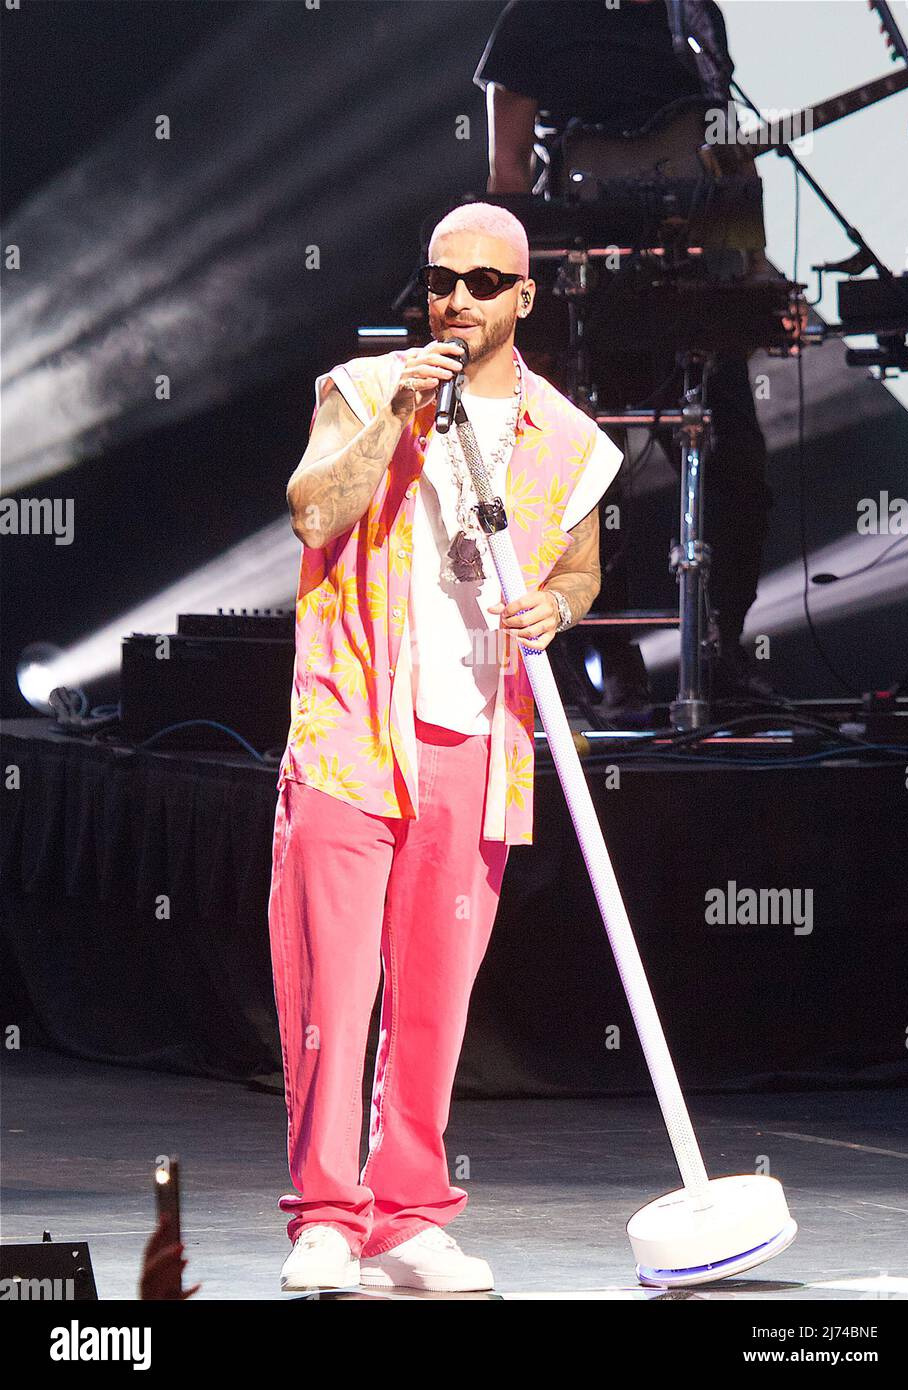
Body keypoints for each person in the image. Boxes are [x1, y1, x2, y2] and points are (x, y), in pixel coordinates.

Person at [268, 202, 624, 1293]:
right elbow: (309, 512)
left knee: (435, 992)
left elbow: (581, 565)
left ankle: (409, 1214)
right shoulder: (364, 389)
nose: (456, 301)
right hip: (350, 726)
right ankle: (327, 1215)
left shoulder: (566, 435)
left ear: (522, 296)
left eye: (481, 283)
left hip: (476, 737)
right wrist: (396, 420)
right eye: (439, 280)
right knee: (336, 987)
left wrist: (557, 609)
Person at [474, 0, 776, 710]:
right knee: (586, 492)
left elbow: (719, 152)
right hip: (585, 291)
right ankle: (604, 660)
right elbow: (508, 171)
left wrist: (756, 271)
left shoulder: (696, 15)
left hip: (693, 286)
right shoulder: (535, 18)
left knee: (739, 469)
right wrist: (522, 302)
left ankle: (720, 651)